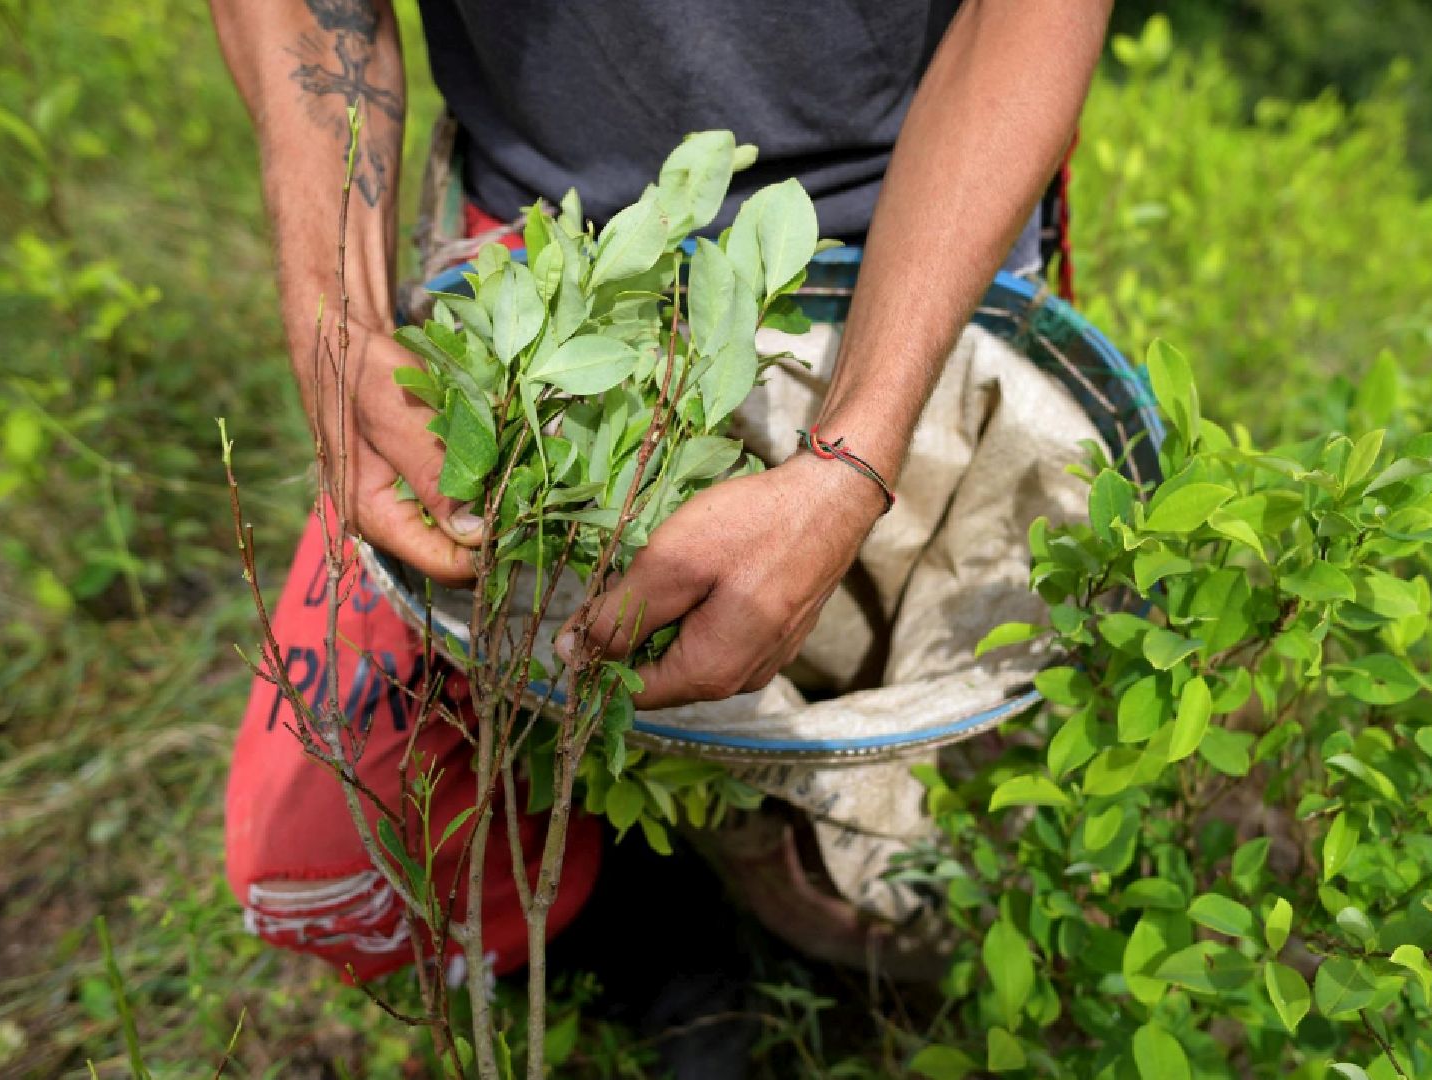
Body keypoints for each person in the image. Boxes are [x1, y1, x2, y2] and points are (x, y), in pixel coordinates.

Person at [211, 0, 1108, 1022]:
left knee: (944, 841)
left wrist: (851, 460)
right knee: (325, 864)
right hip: (543, 256)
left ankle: (814, 946)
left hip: (917, 232)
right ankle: (658, 935)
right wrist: (338, 316)